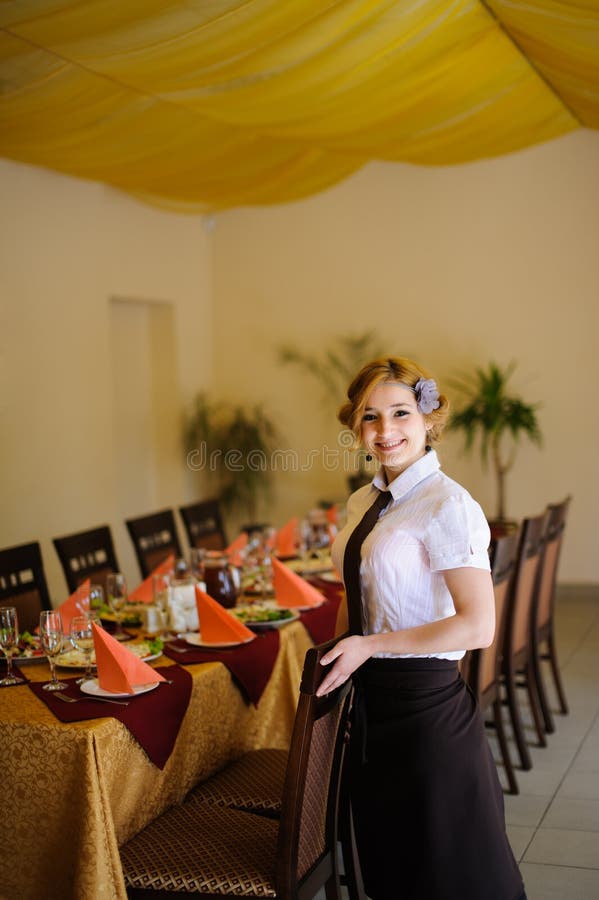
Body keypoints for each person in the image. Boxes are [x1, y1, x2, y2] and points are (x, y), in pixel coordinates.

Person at [317, 356, 525, 900]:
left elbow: (479, 626)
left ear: (429, 419)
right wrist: (340, 656)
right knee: (391, 874)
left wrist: (369, 647)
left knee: (448, 879)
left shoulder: (447, 505)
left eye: (401, 413)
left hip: (426, 718)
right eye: (370, 417)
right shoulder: (364, 501)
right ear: (355, 426)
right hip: (371, 714)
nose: (385, 431)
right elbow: (355, 594)